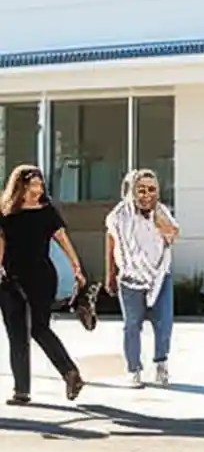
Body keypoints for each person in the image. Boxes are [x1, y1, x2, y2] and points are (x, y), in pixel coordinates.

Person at [0, 165, 87, 404]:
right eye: (33, 184)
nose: (38, 189)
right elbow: (1, 244)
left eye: (40, 184)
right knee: (16, 334)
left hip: (41, 277)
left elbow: (63, 240)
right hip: (10, 279)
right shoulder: (5, 212)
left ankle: (70, 373)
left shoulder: (47, 212)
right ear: (21, 186)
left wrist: (77, 268)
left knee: (40, 328)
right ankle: (21, 390)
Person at [106, 169, 180, 388]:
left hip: (159, 276)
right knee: (132, 325)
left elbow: (173, 234)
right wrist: (109, 273)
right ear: (132, 191)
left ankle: (161, 363)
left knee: (164, 323)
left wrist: (159, 218)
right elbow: (111, 244)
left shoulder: (162, 211)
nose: (147, 194)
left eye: (152, 189)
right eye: (142, 190)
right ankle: (134, 369)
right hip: (130, 277)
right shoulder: (118, 216)